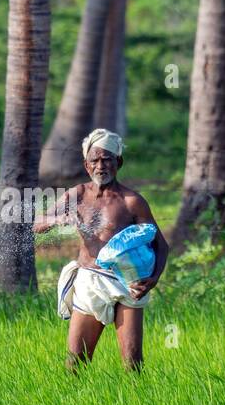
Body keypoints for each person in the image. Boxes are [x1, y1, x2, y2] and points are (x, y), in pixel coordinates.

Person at [34, 129, 170, 371]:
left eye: (106, 159)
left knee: (132, 363)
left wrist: (154, 279)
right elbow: (38, 224)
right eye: (94, 160)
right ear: (86, 165)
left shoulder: (131, 201)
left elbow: (161, 244)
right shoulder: (77, 195)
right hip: (91, 280)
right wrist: (56, 220)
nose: (100, 166)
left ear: (118, 162)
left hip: (128, 282)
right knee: (75, 363)